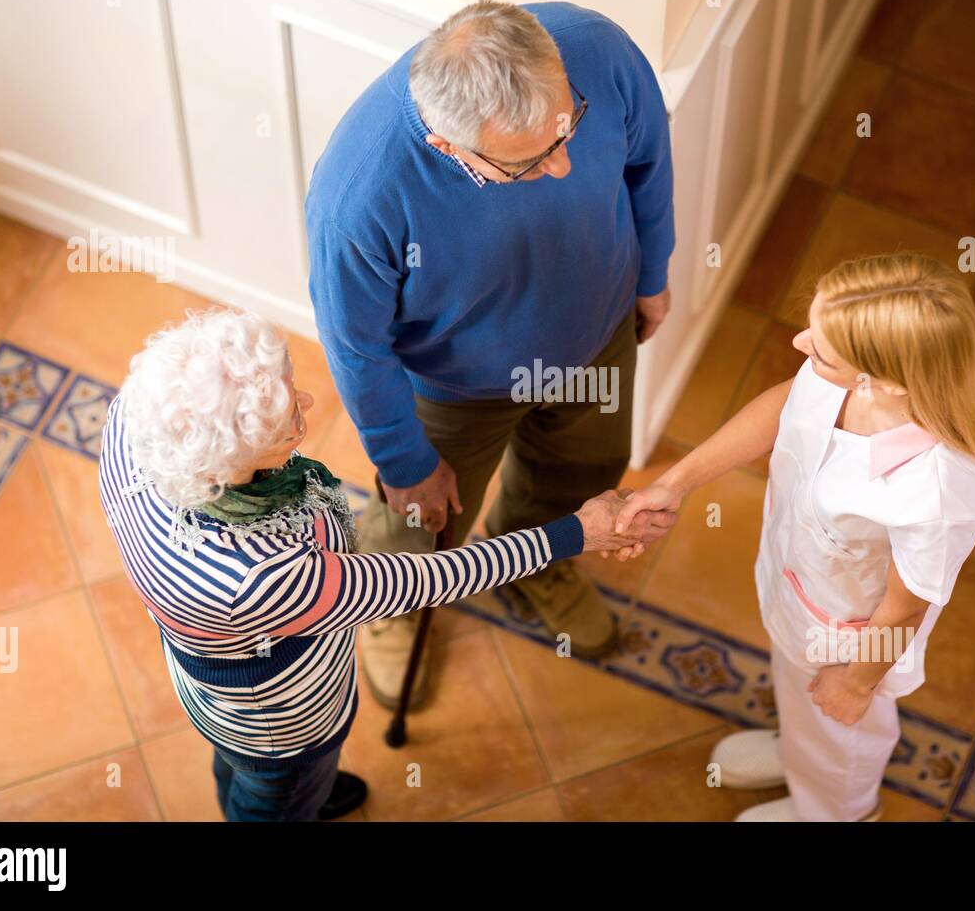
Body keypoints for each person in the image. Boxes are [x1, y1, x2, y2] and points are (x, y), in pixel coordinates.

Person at [96, 306, 673, 822]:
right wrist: (576, 532)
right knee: (276, 797)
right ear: (226, 466)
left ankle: (271, 789)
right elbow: (428, 577)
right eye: (290, 422)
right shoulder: (261, 578)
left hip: (213, 690)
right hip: (284, 726)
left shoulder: (132, 424)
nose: (308, 405)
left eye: (291, 387)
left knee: (240, 765)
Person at [305, 0, 675, 708]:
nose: (565, 164)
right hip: (454, 388)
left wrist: (652, 273)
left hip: (598, 331)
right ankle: (394, 608)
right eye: (534, 158)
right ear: (450, 148)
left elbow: (649, 164)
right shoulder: (357, 196)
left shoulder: (597, 48)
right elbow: (358, 349)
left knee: (583, 467)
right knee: (419, 525)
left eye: (569, 128)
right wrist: (405, 463)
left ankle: (536, 561)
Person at [615, 254, 975, 821]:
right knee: (803, 700)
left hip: (851, 640)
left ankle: (835, 809)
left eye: (820, 348)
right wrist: (675, 483)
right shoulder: (846, 379)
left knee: (841, 732)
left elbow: (902, 611)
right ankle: (799, 748)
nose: (800, 344)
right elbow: (785, 408)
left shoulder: (935, 490)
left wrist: (857, 682)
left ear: (887, 378)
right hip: (799, 588)